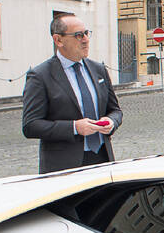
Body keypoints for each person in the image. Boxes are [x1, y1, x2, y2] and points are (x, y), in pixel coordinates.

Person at [22, 14, 123, 174]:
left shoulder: (99, 70)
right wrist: (74, 127)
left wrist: (111, 121)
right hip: (64, 167)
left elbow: (115, 110)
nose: (85, 40)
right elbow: (30, 126)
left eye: (86, 33)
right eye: (78, 35)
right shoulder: (40, 76)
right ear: (58, 40)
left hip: (103, 160)